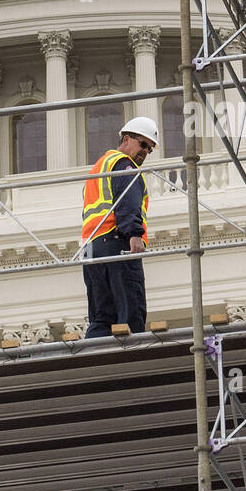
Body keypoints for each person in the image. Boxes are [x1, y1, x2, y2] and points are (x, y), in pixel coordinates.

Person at [81, 116, 159, 338]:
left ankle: (96, 362)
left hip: (92, 250)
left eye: (149, 149)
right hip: (117, 243)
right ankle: (131, 364)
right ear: (126, 139)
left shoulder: (98, 168)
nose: (145, 151)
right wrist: (134, 234)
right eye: (142, 144)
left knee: (101, 317)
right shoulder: (125, 165)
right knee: (130, 311)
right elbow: (127, 202)